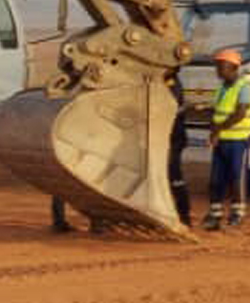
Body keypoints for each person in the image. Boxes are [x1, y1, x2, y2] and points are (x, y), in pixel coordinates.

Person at [51, 69, 191, 232]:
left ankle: (182, 217)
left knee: (170, 178)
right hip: (112, 136)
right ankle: (95, 219)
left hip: (168, 140)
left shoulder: (170, 86)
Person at [200, 49, 250, 230]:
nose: (217, 71)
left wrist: (217, 129)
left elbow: (240, 113)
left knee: (236, 179)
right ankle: (215, 215)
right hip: (222, 141)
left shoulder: (244, 86)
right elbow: (219, 111)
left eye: (220, 67)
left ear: (233, 67)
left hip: (238, 142)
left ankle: (237, 214)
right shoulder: (222, 87)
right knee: (216, 180)